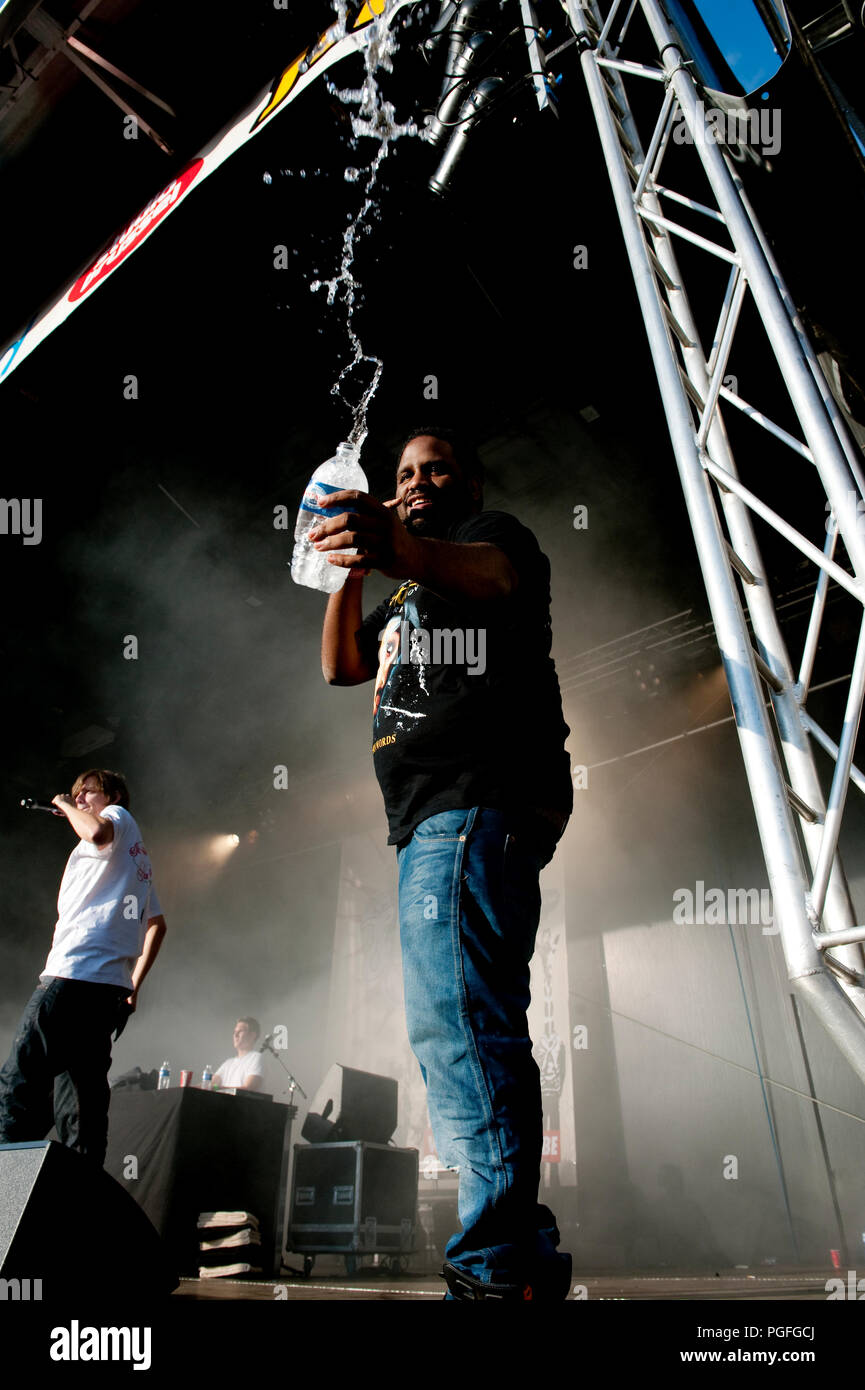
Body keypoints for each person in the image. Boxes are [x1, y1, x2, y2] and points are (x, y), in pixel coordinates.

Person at [313, 425, 574, 1300]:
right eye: (403, 475)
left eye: (436, 469)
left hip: (473, 800)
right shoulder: (404, 589)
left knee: (459, 1028)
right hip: (435, 818)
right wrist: (352, 564)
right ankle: (516, 1259)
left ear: (466, 482)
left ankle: (498, 1268)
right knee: (462, 1026)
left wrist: (396, 542)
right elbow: (341, 665)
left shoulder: (487, 539)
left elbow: (494, 579)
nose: (418, 480)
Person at [0, 769, 167, 1165]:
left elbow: (95, 833)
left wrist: (57, 801)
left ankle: (4, 1193)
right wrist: (134, 985)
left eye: (86, 794)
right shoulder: (134, 858)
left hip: (75, 974)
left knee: (17, 1083)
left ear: (114, 796)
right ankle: (82, 1206)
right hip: (104, 991)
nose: (78, 800)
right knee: (81, 1106)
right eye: (74, 796)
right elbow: (157, 923)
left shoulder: (119, 820)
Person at [212, 1018, 264, 1092]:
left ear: (253, 1035)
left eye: (240, 1031)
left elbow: (248, 1089)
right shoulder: (228, 1063)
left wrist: (216, 1088)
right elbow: (210, 1084)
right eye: (234, 1032)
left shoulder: (256, 1057)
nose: (235, 1035)